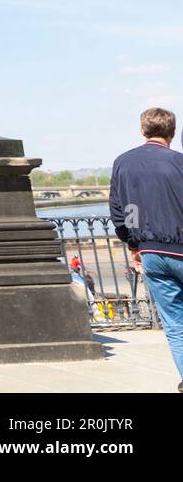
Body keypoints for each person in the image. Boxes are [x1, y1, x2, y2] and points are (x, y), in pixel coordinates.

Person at [110, 107, 183, 391]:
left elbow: (122, 210)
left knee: (175, 323)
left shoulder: (122, 163)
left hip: (151, 252)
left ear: (142, 131)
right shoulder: (178, 162)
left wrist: (133, 243)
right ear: (173, 132)